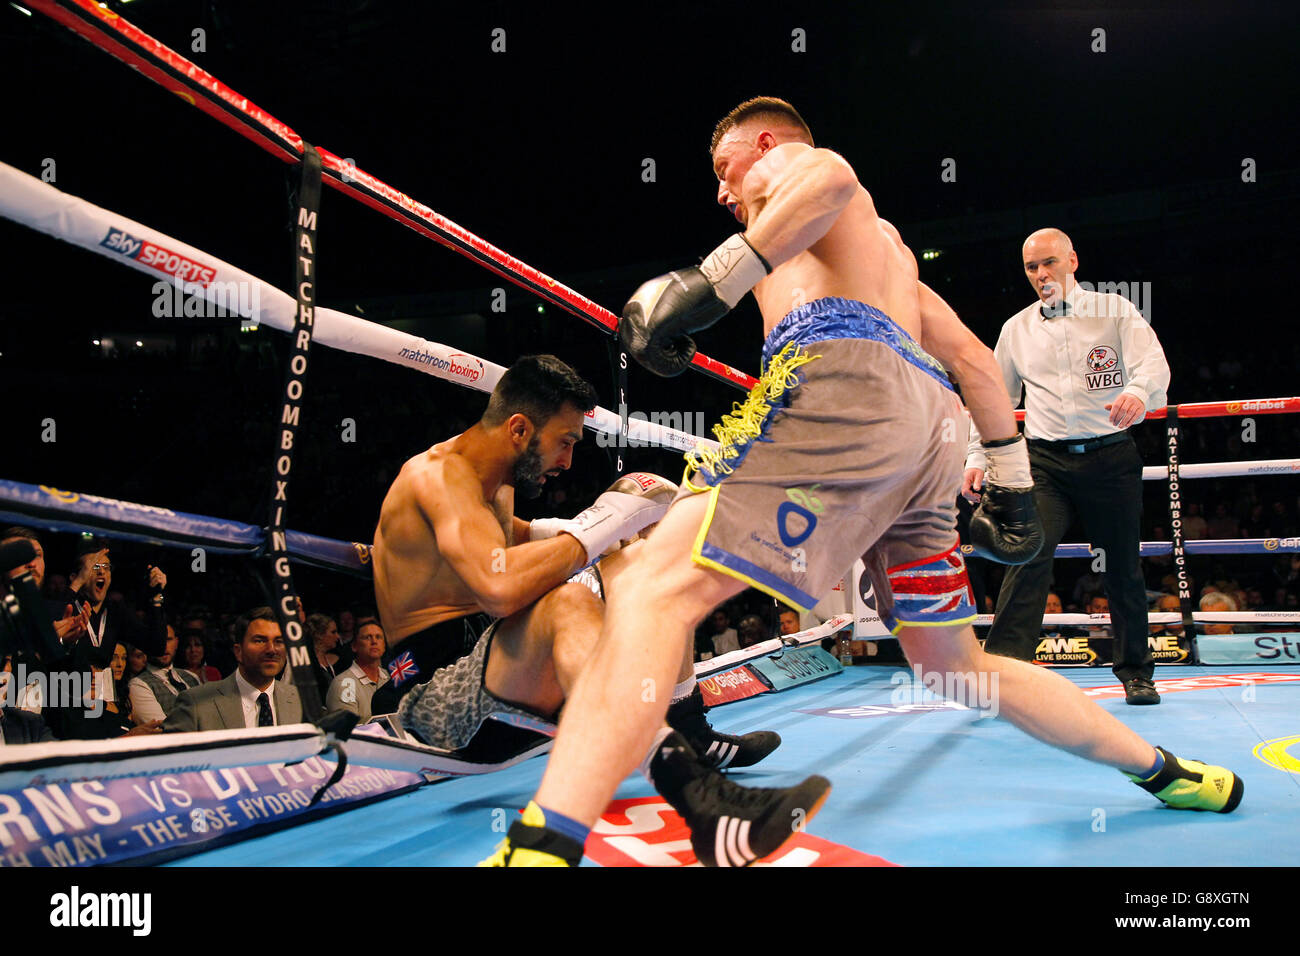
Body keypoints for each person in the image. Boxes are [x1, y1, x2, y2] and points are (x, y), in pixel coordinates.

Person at [485, 97, 1241, 867]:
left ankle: (542, 846)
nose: (721, 191)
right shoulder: (890, 257)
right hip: (927, 433)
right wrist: (1011, 485)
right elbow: (977, 362)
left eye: (724, 169)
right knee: (956, 667)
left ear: (766, 144)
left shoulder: (792, 175)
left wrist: (710, 281)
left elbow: (832, 174)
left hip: (846, 392)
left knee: (651, 585)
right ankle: (1167, 771)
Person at [372, 355, 778, 780]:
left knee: (645, 558)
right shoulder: (439, 477)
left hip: (500, 668)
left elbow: (509, 537)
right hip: (440, 700)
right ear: (518, 428)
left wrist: (605, 533)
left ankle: (688, 727)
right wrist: (597, 525)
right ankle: (663, 756)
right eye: (565, 441)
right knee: (569, 599)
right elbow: (498, 589)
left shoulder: (492, 480)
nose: (567, 462)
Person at [964, 227, 1170, 705]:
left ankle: (1137, 673)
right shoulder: (1016, 329)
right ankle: (1002, 675)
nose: (1041, 274)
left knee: (1122, 567)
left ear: (1072, 260)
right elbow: (996, 400)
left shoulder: (1114, 310)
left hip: (1111, 457)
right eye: (1032, 267)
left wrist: (1138, 392)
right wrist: (976, 455)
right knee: (1027, 555)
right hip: (1046, 463)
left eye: (1049, 263)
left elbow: (1153, 364)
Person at [164, 607, 302, 731]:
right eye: (260, 640)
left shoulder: (301, 699)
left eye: (279, 641)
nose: (271, 650)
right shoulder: (196, 703)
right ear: (238, 652)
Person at [128, 625, 198, 723]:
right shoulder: (138, 685)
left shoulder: (192, 677)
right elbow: (163, 729)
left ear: (176, 643)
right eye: (156, 640)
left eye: (168, 639)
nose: (163, 646)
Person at [326, 619, 389, 722]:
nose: (374, 642)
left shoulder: (389, 677)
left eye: (378, 637)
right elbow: (346, 731)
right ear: (354, 646)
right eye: (367, 637)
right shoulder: (344, 684)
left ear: (384, 646)